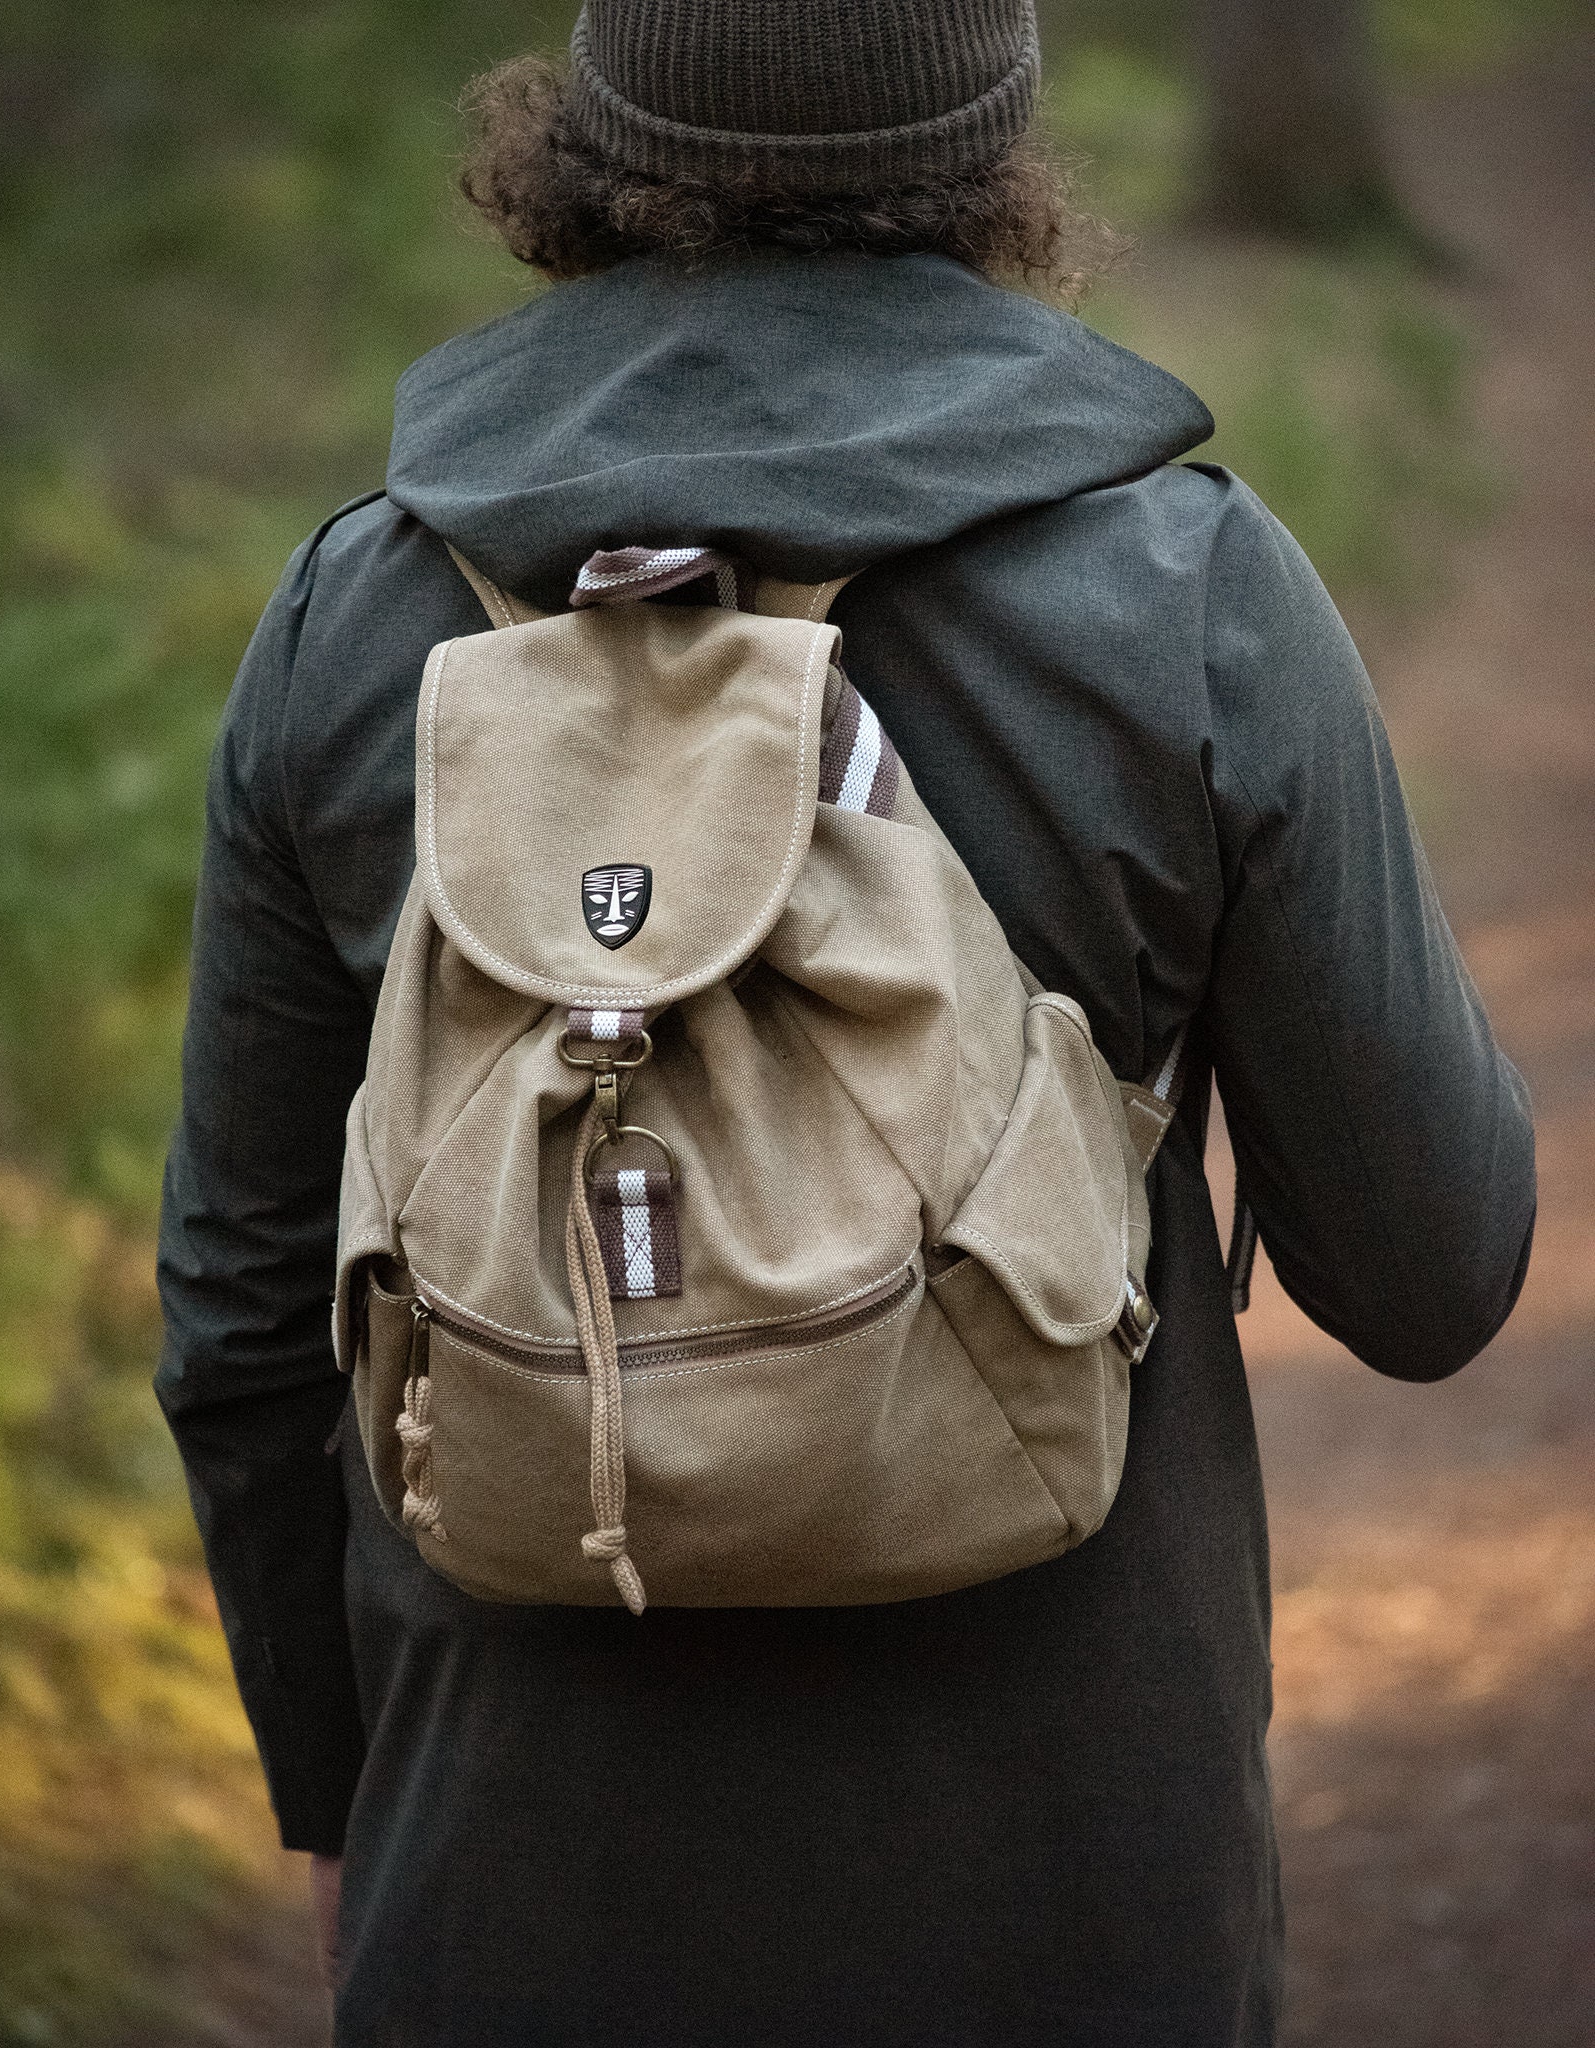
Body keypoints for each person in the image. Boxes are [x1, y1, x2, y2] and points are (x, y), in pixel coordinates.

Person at [155, 5, 1536, 2043]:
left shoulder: (357, 612)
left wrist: (343, 1794)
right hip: (1077, 1899)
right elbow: (1430, 1272)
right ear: (998, 142)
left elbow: (247, 1310)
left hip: (516, 1886)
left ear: (588, 130)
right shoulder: (1189, 588)